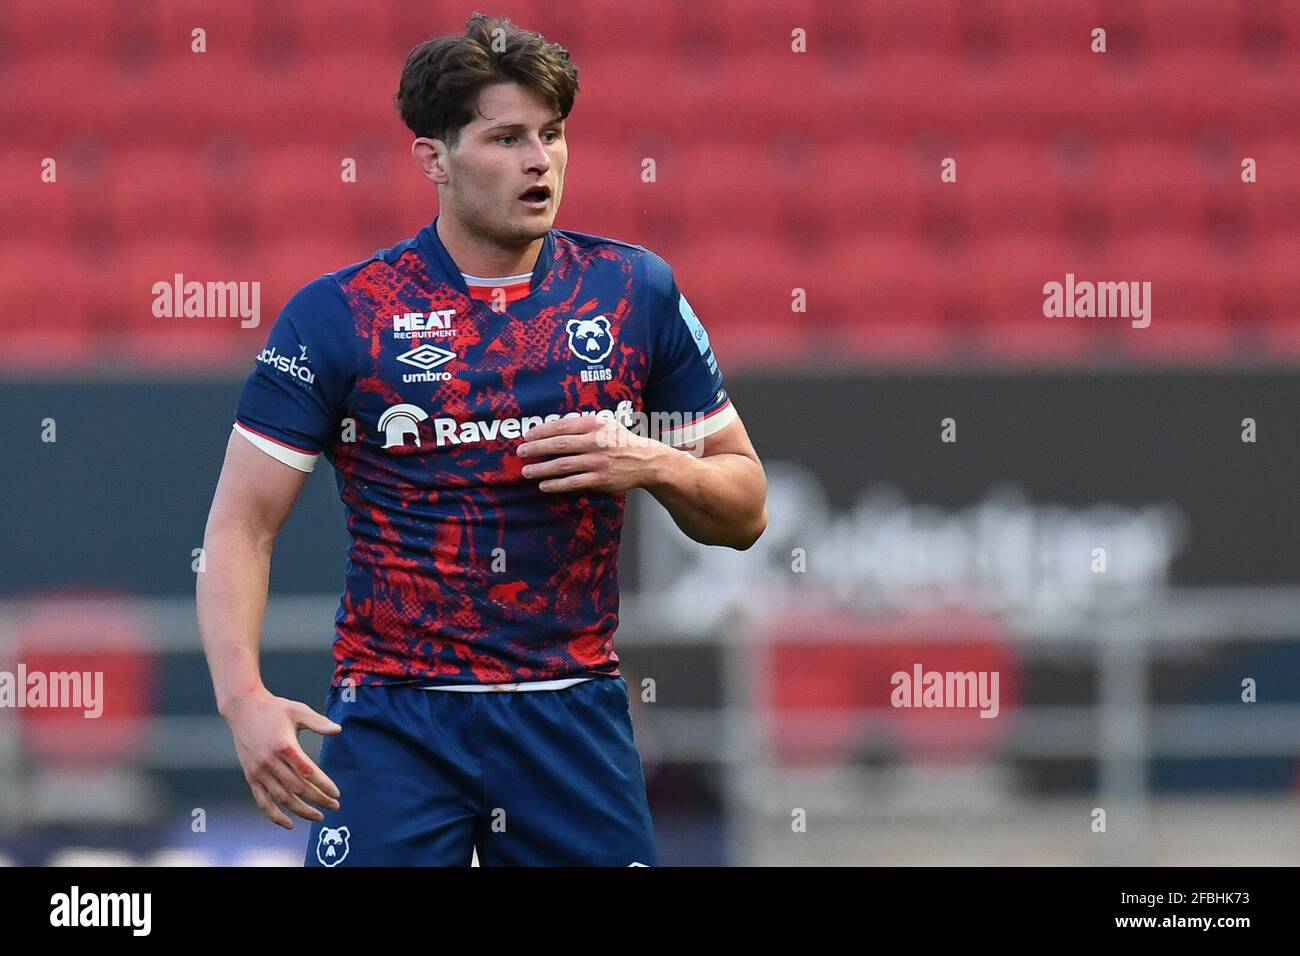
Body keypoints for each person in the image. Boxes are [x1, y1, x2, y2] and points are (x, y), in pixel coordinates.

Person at [197, 13, 767, 867]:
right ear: (434, 157)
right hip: (396, 714)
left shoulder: (633, 292)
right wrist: (242, 699)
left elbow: (746, 506)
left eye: (552, 134)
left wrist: (648, 459)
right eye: (505, 138)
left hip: (569, 714)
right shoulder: (340, 315)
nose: (540, 160)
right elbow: (241, 526)